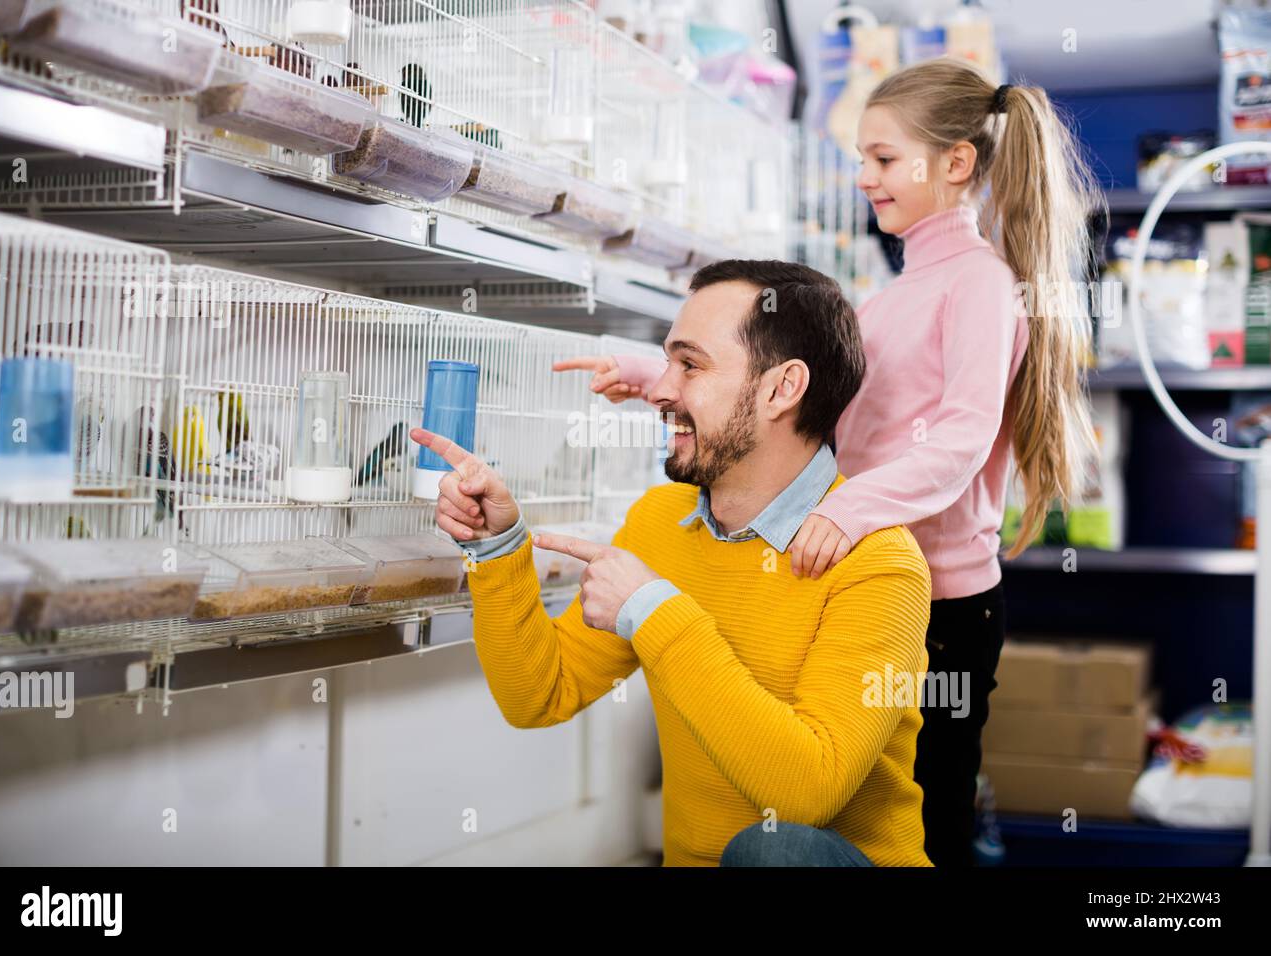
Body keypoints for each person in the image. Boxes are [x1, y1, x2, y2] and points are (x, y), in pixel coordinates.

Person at [554, 58, 1099, 866]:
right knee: (841, 809)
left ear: (956, 163)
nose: (864, 178)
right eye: (861, 160)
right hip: (863, 580)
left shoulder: (981, 285)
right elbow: (793, 400)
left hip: (943, 604)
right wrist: (663, 378)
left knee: (933, 813)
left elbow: (957, 445)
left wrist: (844, 509)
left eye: (883, 159)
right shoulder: (888, 296)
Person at [412, 260, 933, 866]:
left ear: (782, 388)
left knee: (775, 851)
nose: (659, 389)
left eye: (690, 365)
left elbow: (805, 793)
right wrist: (498, 548)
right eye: (667, 362)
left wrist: (655, 612)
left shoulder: (879, 562)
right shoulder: (661, 521)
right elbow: (539, 695)